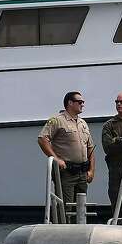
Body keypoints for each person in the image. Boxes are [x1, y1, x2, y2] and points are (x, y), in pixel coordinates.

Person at [37, 91, 95, 222]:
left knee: (80, 206)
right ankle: (60, 231)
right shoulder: (57, 121)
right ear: (70, 103)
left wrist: (91, 170)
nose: (82, 105)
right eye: (80, 102)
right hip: (66, 172)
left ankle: (78, 232)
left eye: (83, 102)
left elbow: (90, 148)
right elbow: (42, 139)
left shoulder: (83, 123)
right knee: (65, 206)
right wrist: (56, 159)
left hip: (82, 172)